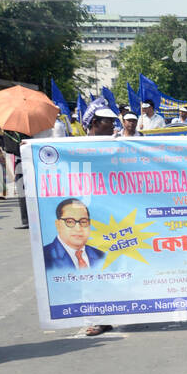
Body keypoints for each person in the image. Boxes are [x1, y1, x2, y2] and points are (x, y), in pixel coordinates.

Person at [81, 103, 119, 335]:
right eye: (108, 123)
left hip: (110, 215)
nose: (113, 127)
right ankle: (99, 316)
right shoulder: (76, 146)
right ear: (94, 124)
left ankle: (111, 311)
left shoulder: (115, 145)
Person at [43, 198, 106, 270]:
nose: (78, 229)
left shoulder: (101, 256)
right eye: (70, 221)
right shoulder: (44, 257)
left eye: (83, 221)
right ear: (58, 224)